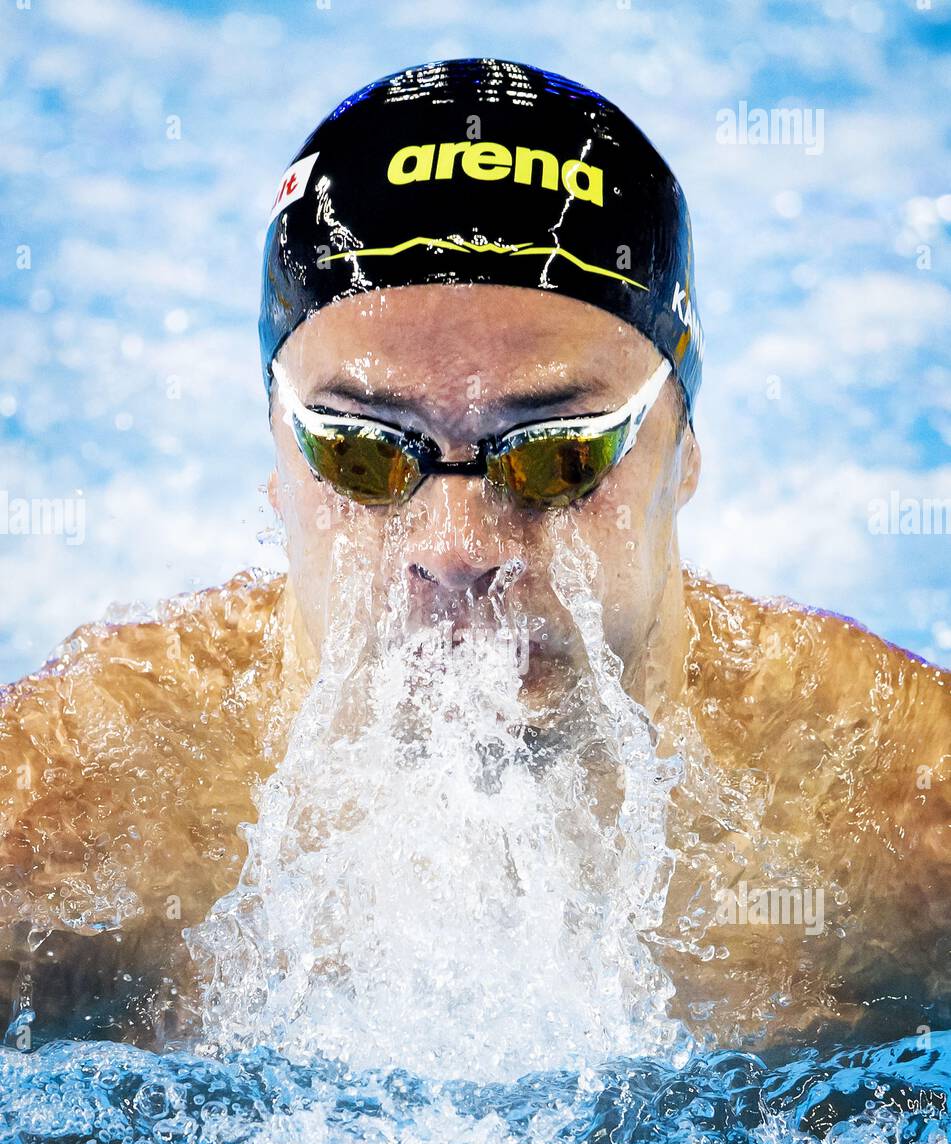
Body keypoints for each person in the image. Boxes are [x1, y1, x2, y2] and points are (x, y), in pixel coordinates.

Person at [1, 59, 947, 1052]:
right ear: (275, 463)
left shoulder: (881, 832)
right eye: (363, 453)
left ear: (687, 451)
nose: (457, 549)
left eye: (558, 456)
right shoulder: (85, 835)